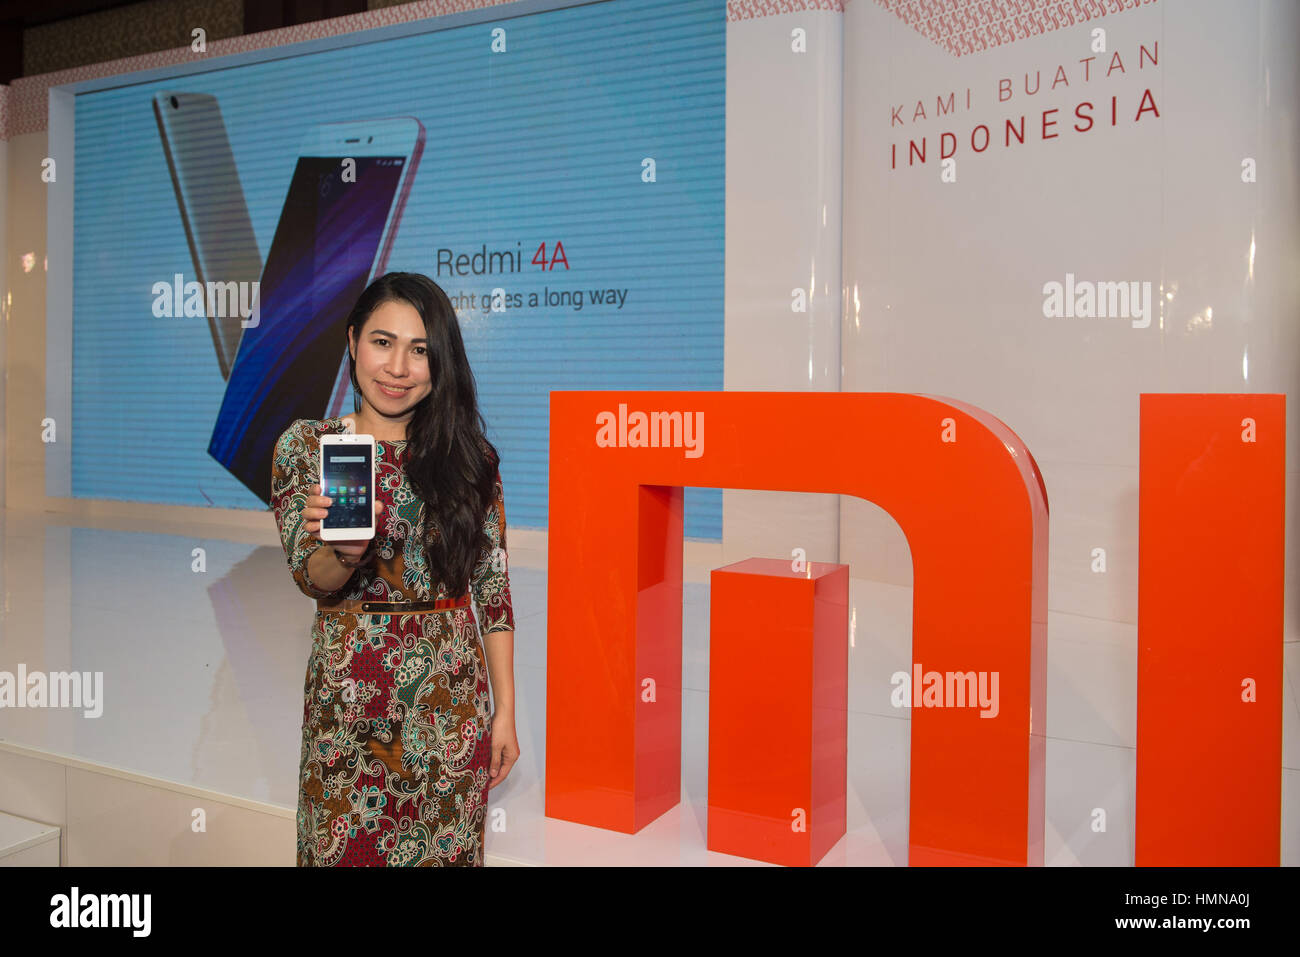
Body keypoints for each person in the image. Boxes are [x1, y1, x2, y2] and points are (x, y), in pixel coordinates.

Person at [270, 271, 518, 866]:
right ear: (353, 342)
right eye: (383, 343)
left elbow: (492, 585)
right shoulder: (306, 447)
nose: (398, 368)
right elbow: (314, 578)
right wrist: (344, 553)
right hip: (350, 704)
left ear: (441, 361)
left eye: (420, 349)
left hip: (450, 705)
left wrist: (505, 710)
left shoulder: (470, 458)